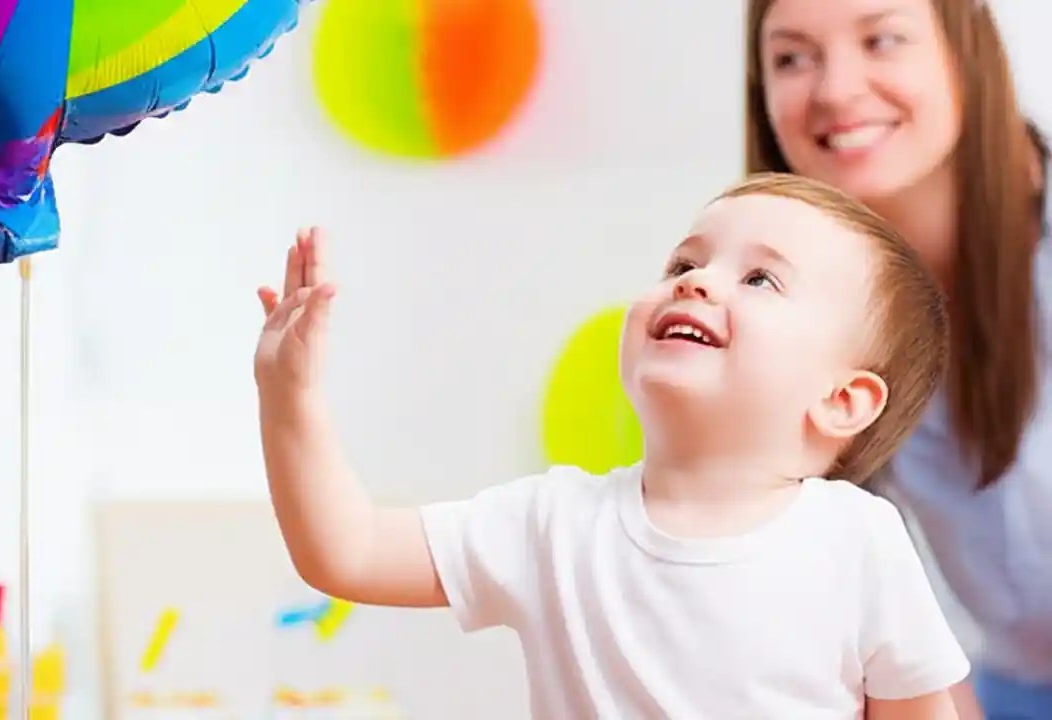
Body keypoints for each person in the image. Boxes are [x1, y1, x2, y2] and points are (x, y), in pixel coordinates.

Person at [253, 173, 969, 719]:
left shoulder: (856, 540)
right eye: (682, 264)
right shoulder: (552, 523)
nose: (695, 282)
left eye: (759, 278)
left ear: (842, 401)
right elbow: (347, 551)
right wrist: (291, 399)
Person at [744, 0, 1052, 716]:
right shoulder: (796, 304)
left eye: (881, 39)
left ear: (963, 48)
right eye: (792, 57)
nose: (836, 90)